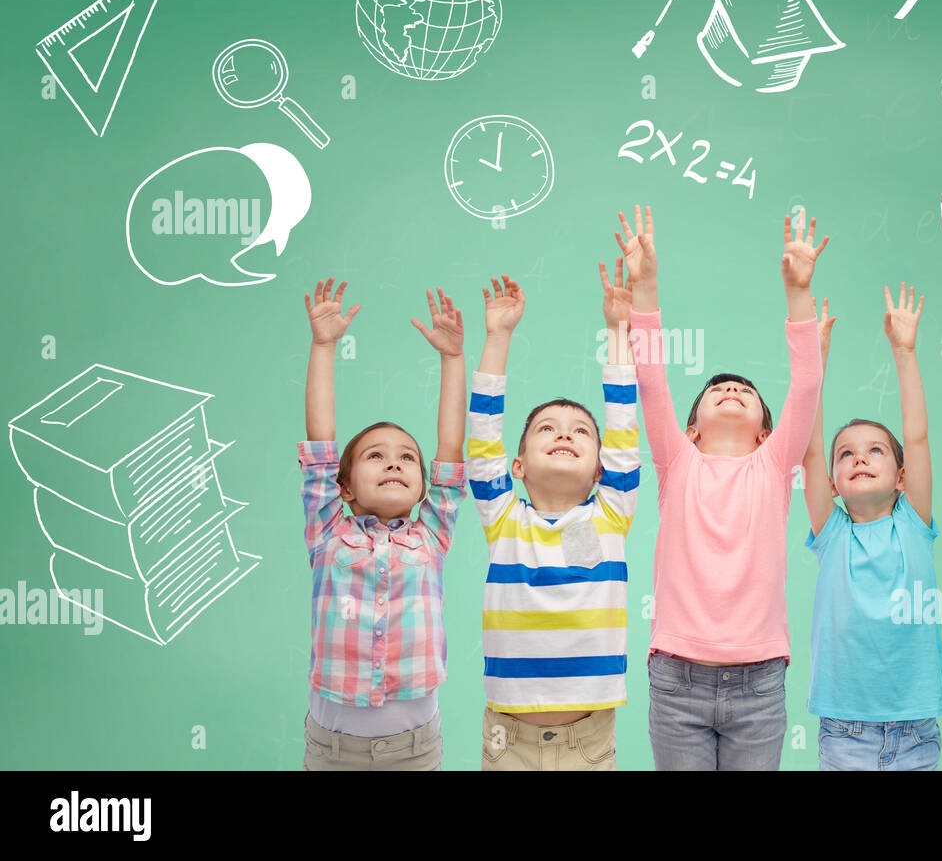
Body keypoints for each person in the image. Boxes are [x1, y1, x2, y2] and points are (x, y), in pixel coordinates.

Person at [618, 205, 827, 770]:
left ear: (766, 430)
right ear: (690, 428)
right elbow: (652, 378)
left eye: (742, 388)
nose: (730, 388)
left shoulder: (775, 465)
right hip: (676, 678)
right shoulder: (677, 462)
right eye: (717, 389)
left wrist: (798, 294)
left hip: (759, 683)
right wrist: (646, 285)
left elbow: (807, 383)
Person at [468, 269, 639, 770]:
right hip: (509, 739)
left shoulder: (611, 512)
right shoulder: (503, 518)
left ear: (601, 469)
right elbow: (482, 439)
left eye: (581, 432)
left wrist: (617, 332)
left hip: (589, 740)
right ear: (516, 467)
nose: (564, 435)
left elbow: (624, 425)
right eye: (547, 428)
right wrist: (498, 337)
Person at [298, 278, 468, 770]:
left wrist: (452, 360)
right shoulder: (328, 530)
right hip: (332, 749)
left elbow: (451, 452)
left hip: (414, 749)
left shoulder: (431, 536)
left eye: (407, 458)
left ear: (424, 485)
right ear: (344, 485)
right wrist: (324, 345)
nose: (394, 463)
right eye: (375, 456)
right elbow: (319, 441)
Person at [801, 285, 942, 771]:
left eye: (875, 450)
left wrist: (904, 352)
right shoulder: (832, 532)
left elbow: (918, 437)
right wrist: (814, 364)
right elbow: (809, 445)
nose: (859, 456)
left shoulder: (914, 520)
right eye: (847, 454)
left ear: (902, 478)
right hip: (845, 733)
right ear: (834, 483)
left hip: (916, 731)